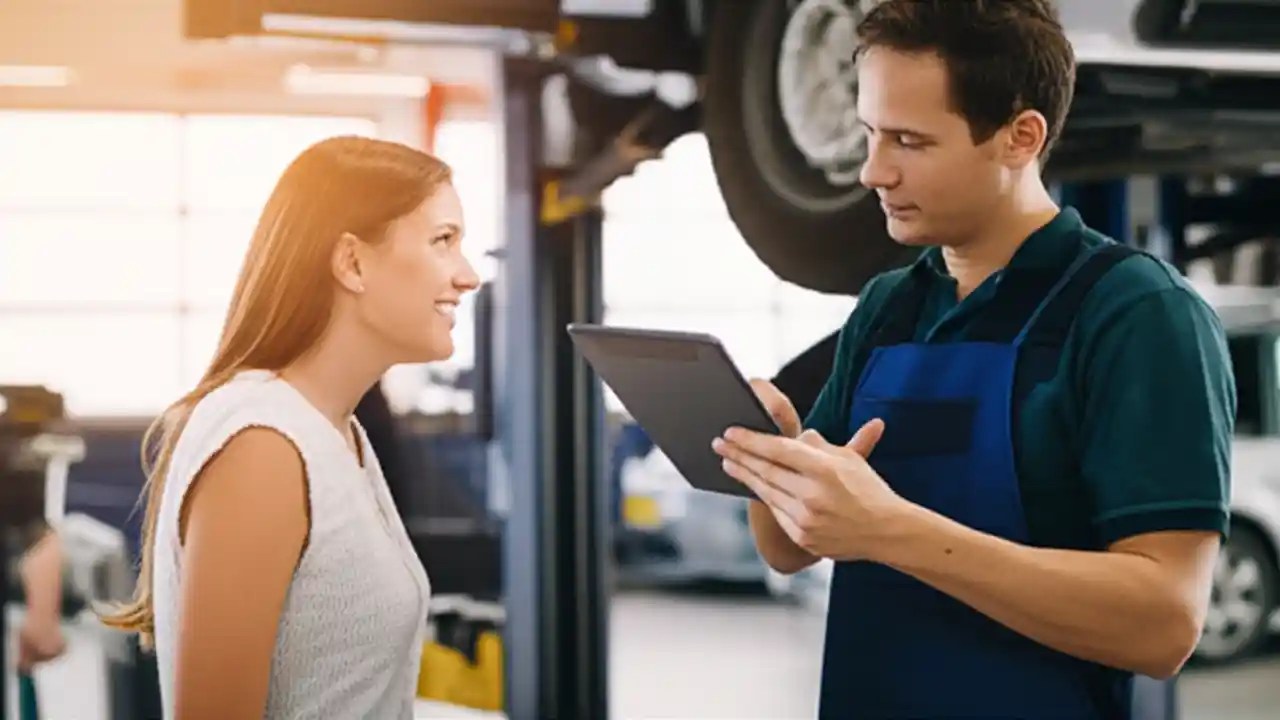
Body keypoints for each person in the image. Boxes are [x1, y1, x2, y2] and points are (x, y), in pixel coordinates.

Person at [712, 2, 1233, 718]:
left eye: (909, 141)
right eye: (870, 134)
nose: (872, 172)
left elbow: (1163, 624)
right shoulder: (890, 305)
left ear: (1021, 137)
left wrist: (891, 530)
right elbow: (789, 549)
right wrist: (767, 460)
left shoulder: (1136, 313)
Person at [99, 136, 481, 719]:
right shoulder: (263, 446)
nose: (468, 276)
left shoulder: (336, 431)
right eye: (443, 241)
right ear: (352, 263)